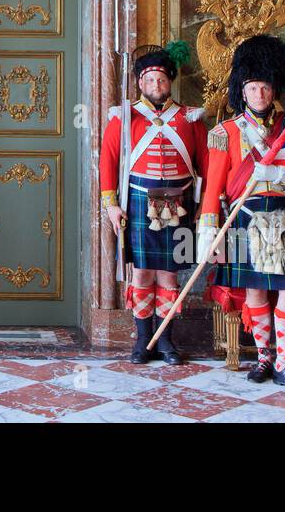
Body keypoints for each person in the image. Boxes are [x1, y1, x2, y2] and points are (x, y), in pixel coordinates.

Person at [196, 34, 285, 394]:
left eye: (265, 87)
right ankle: (264, 357)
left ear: (273, 88)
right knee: (255, 292)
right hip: (246, 217)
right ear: (243, 90)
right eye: (252, 88)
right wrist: (208, 231)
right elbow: (213, 189)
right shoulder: (225, 133)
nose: (259, 95)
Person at [101, 42, 208, 364]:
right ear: (139, 83)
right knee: (143, 273)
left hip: (181, 202)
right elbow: (107, 161)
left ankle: (166, 341)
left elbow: (205, 161)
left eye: (161, 80)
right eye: (149, 81)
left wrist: (206, 209)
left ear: (170, 82)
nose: (155, 86)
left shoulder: (191, 118)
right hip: (138, 201)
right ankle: (143, 340)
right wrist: (111, 204)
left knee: (170, 274)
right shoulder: (124, 116)